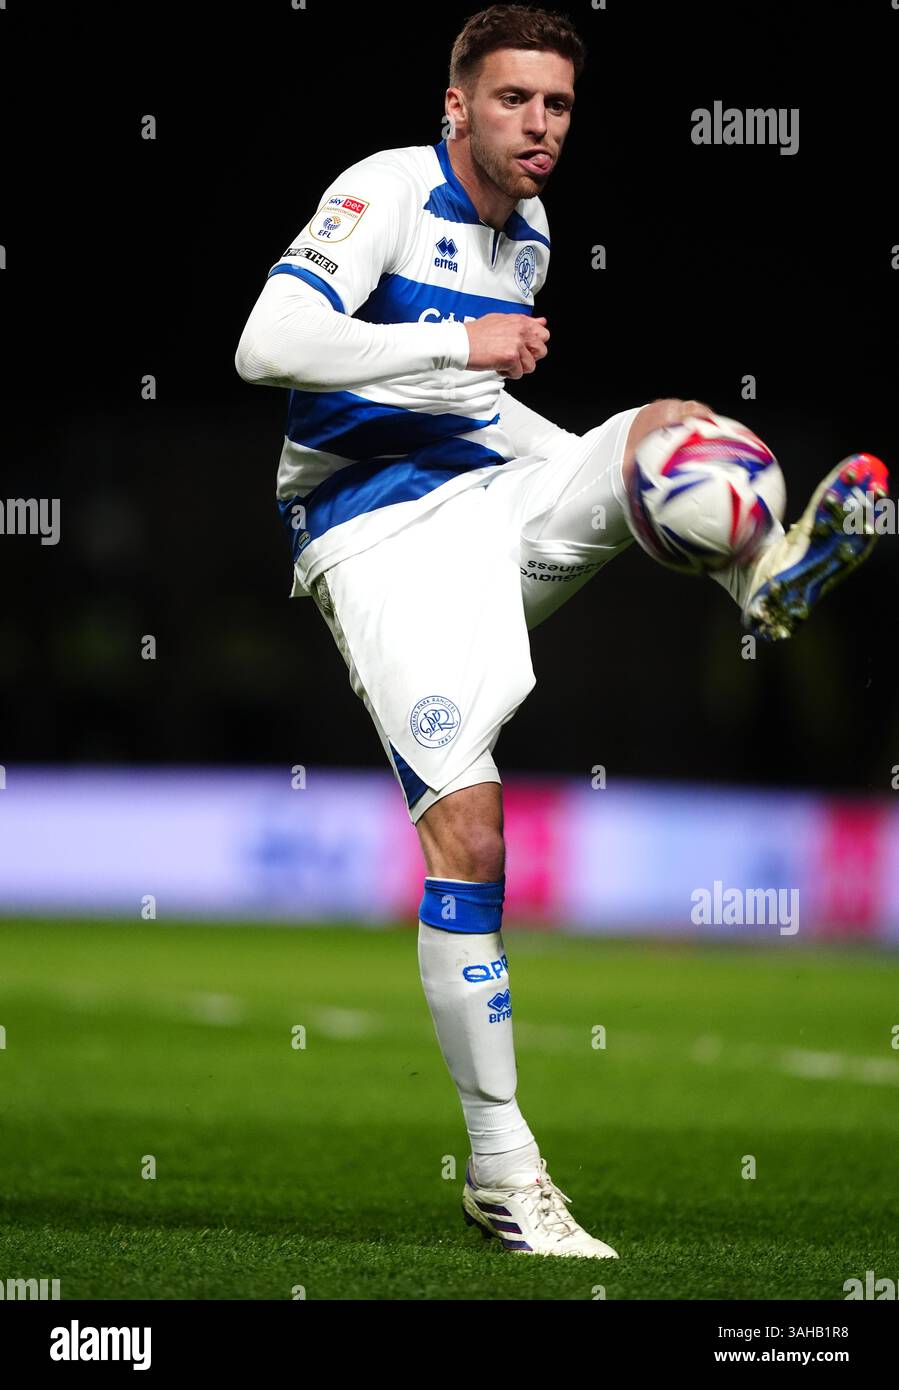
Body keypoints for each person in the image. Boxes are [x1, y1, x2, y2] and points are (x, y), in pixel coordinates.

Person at [236, 4, 887, 1258]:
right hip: (369, 533)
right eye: (512, 100)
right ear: (456, 107)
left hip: (485, 497)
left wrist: (607, 454)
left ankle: (758, 575)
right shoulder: (383, 191)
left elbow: (475, 414)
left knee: (667, 427)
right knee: (467, 833)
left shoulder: (530, 233)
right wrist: (455, 335)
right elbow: (265, 345)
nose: (538, 126)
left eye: (558, 106)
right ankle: (498, 1170)